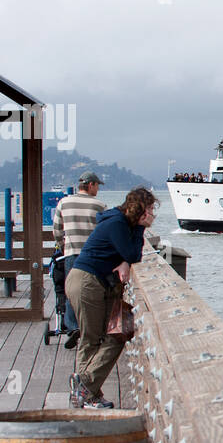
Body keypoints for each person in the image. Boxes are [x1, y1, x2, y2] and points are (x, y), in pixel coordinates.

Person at [65, 187, 157, 408]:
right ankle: (86, 389)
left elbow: (130, 255)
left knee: (109, 335)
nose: (154, 213)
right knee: (101, 337)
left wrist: (127, 257)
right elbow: (133, 253)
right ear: (141, 209)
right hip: (87, 281)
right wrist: (140, 230)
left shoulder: (122, 223)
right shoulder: (117, 223)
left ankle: (85, 393)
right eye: (151, 209)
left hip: (94, 282)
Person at [51, 171, 106, 349]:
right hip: (93, 256)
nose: (97, 189)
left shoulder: (64, 203)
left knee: (71, 291)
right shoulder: (99, 205)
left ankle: (73, 326)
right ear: (90, 185)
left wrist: (62, 245)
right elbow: (105, 231)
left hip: (72, 254)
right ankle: (91, 329)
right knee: (93, 292)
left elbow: (57, 230)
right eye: (97, 185)